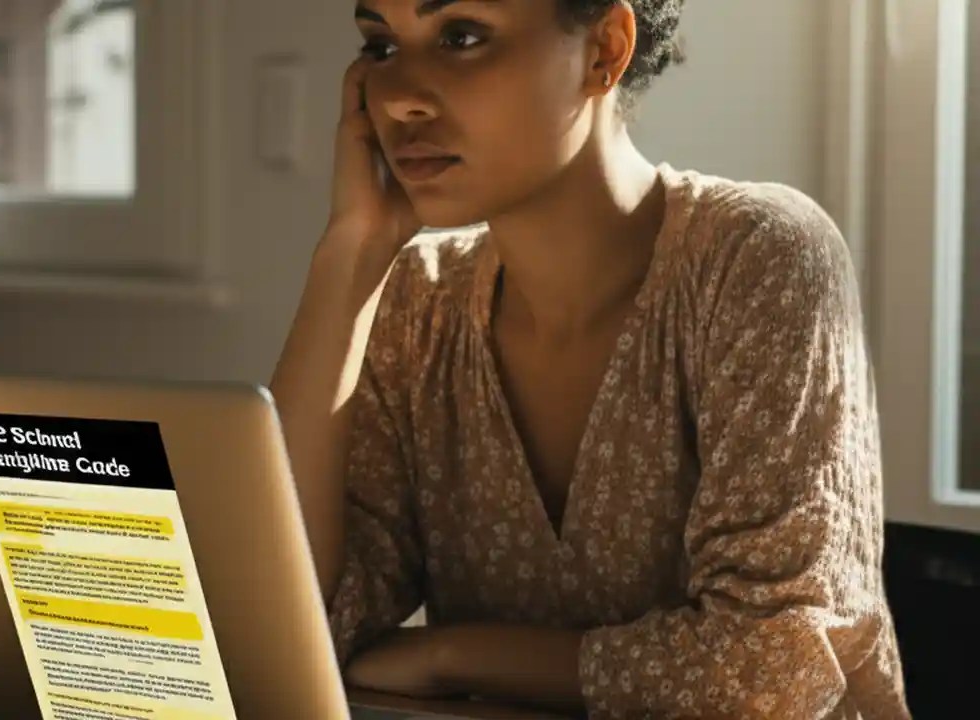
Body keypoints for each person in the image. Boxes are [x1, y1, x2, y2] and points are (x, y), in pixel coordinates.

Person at [269, 0, 911, 717]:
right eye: (381, 47)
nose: (400, 98)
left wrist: (455, 654)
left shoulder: (759, 259)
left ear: (604, 49)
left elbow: (773, 663)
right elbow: (285, 624)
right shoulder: (418, 302)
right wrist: (351, 253)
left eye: (461, 36)